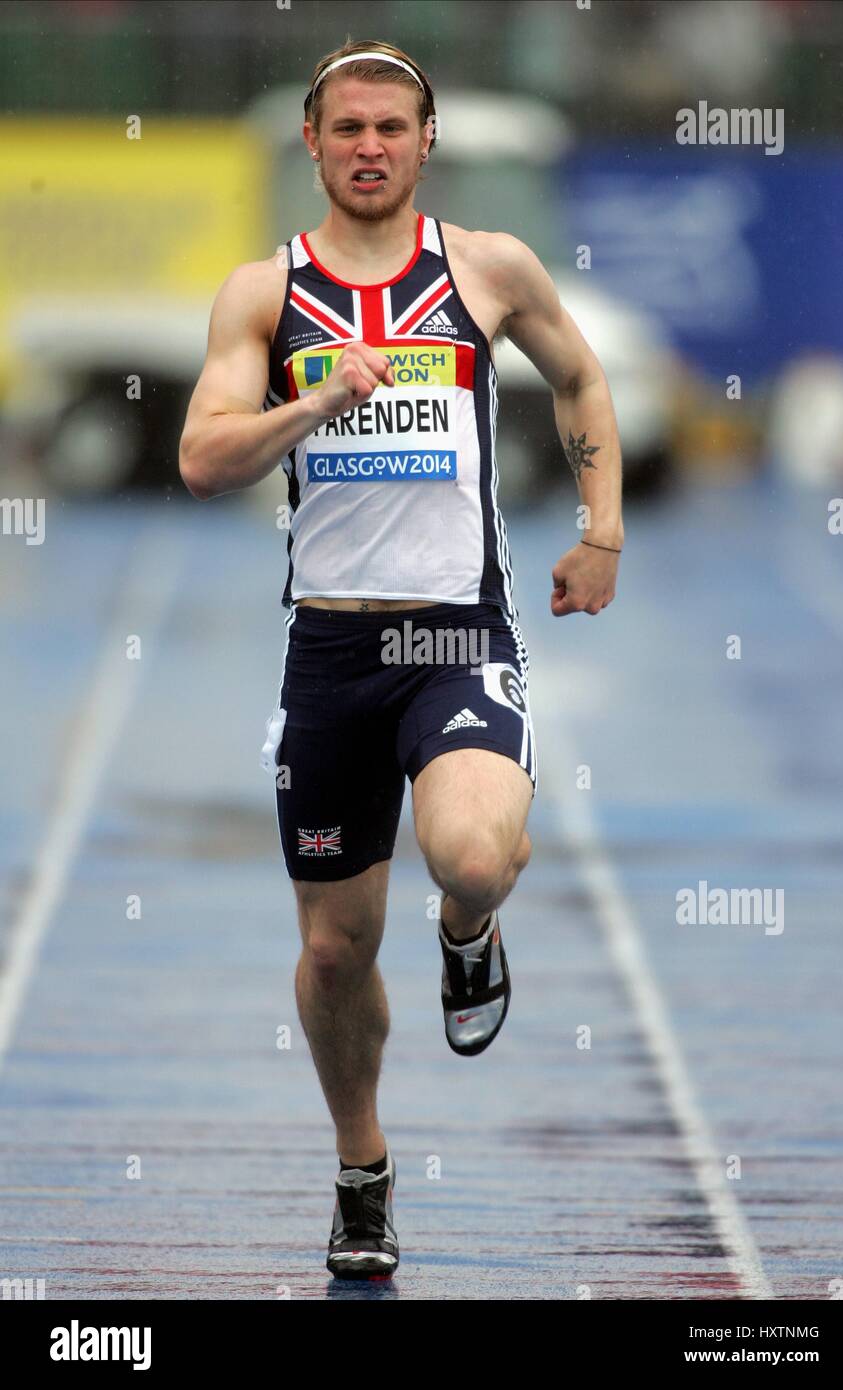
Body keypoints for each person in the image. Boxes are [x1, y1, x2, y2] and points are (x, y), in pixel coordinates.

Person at [179, 38, 623, 1282]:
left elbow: (580, 379)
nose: (369, 147)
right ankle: (362, 1170)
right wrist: (310, 405)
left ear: (426, 144)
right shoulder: (262, 296)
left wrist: (601, 532)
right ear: (313, 148)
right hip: (330, 647)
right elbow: (204, 458)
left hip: (456, 633)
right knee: (334, 951)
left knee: (470, 851)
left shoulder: (484, 272)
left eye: (391, 127)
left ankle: (470, 927)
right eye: (347, 129)